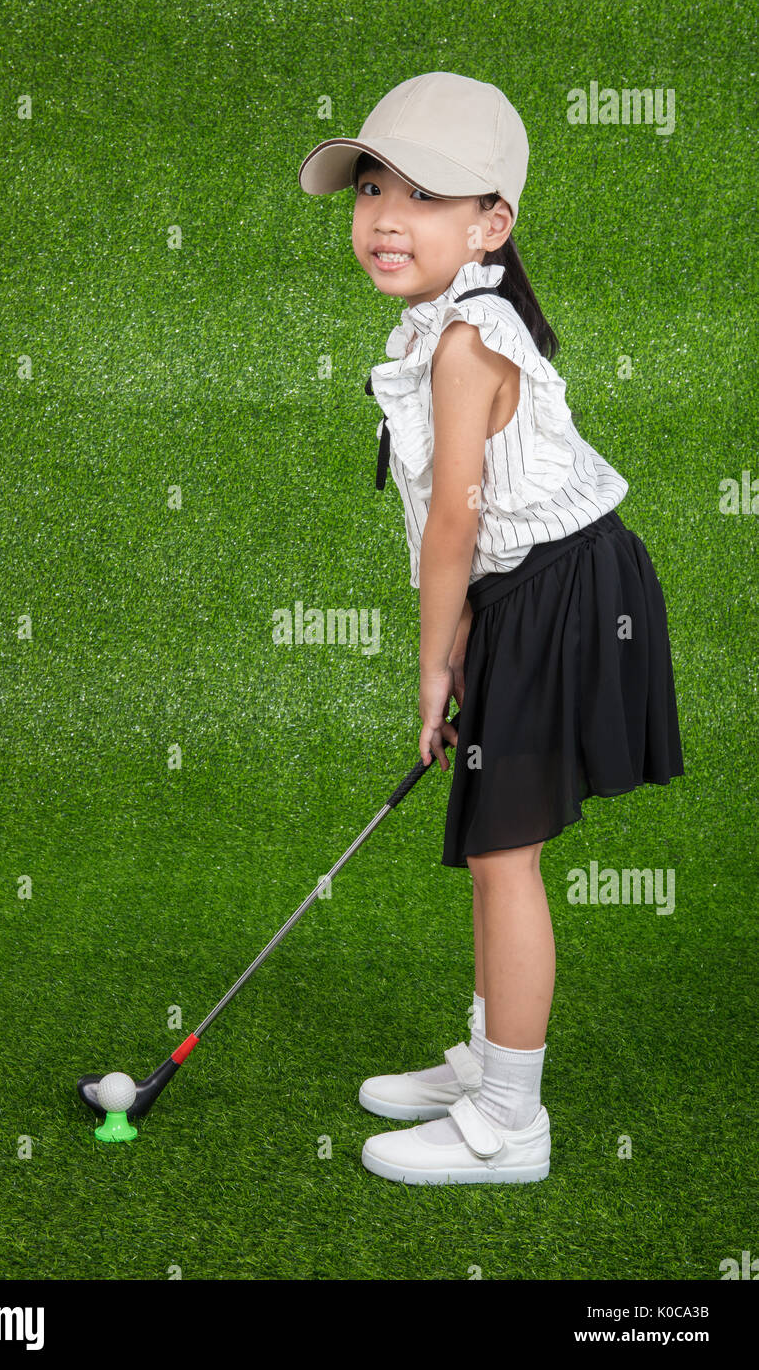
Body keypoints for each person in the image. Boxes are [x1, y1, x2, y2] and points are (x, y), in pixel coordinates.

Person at [298, 72, 685, 1185]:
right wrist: (470, 636)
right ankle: (485, 1056)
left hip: (566, 597)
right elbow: (456, 522)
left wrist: (433, 665)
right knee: (484, 845)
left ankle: (512, 1120)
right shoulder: (442, 326)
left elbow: (455, 520)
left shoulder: (469, 341)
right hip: (528, 596)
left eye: (423, 194)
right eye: (372, 187)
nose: (382, 215)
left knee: (503, 853)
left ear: (489, 225)